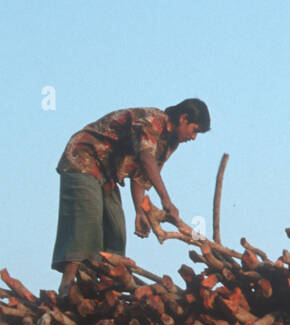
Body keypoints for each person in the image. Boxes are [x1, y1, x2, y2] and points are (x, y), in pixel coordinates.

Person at [52, 99, 210, 296]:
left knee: (116, 228)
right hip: (84, 158)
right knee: (87, 221)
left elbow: (142, 177)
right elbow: (146, 158)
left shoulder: (170, 142)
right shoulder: (152, 120)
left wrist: (139, 210)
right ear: (183, 118)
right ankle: (67, 287)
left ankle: (105, 287)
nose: (194, 137)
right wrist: (165, 200)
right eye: (194, 130)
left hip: (107, 173)